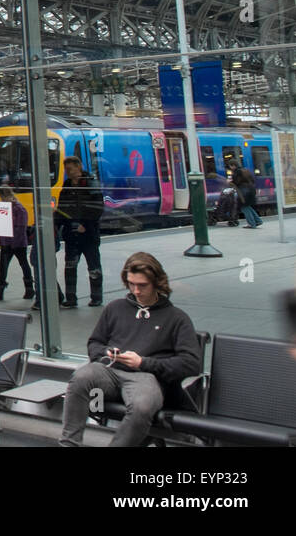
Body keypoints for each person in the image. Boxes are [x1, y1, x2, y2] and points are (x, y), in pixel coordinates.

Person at [59, 251, 201, 446]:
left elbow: (191, 363)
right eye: (131, 284)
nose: (136, 290)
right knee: (81, 377)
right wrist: (106, 354)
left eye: (142, 285)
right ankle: (69, 443)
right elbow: (95, 343)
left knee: (142, 407)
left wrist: (144, 362)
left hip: (147, 377)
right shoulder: (115, 308)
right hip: (110, 371)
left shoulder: (176, 318)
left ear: (157, 283)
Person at [56, 156, 104, 307]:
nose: (68, 172)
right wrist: (56, 224)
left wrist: (86, 225)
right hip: (71, 234)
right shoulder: (67, 185)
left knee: (93, 267)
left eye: (70, 169)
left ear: (79, 167)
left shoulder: (91, 183)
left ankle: (96, 297)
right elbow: (62, 208)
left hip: (88, 234)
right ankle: (71, 298)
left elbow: (97, 208)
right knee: (70, 266)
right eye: (66, 169)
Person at [0, 185, 34, 301]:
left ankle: (29, 289)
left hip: (18, 243)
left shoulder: (19, 209)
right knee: (4, 267)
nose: (1, 200)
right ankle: (0, 291)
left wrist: (13, 242)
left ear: (7, 196)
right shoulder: (7, 208)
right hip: (7, 241)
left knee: (23, 265)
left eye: (2, 197)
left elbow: (21, 228)